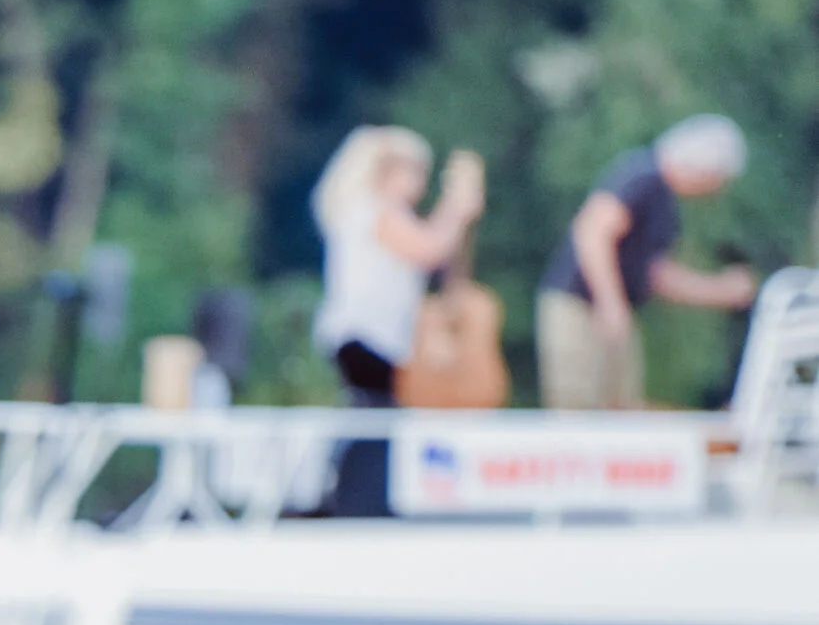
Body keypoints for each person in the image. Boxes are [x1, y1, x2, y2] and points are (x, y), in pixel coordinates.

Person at [309, 124, 487, 513]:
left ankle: (351, 495)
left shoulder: (372, 211)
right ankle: (354, 498)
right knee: (374, 414)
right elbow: (428, 248)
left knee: (373, 412)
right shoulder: (375, 211)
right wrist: (455, 209)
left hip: (374, 334)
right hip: (365, 332)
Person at [536, 115, 756, 409]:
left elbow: (654, 274)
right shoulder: (642, 175)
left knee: (622, 408)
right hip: (580, 306)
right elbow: (593, 231)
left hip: (611, 309)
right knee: (579, 408)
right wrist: (610, 302)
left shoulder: (663, 198)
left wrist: (718, 291)